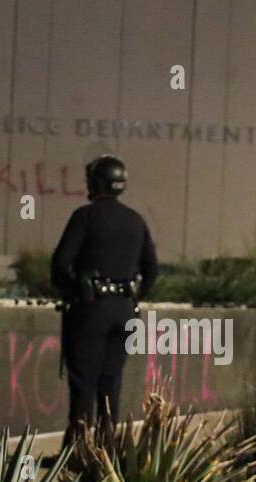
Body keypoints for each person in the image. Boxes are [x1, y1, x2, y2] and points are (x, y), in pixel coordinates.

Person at [51, 155, 159, 446]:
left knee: (84, 383)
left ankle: (78, 451)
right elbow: (152, 269)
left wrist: (76, 290)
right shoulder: (136, 220)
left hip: (91, 311)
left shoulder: (86, 216)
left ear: (95, 182)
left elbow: (61, 264)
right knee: (111, 382)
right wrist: (133, 296)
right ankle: (108, 451)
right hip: (124, 314)